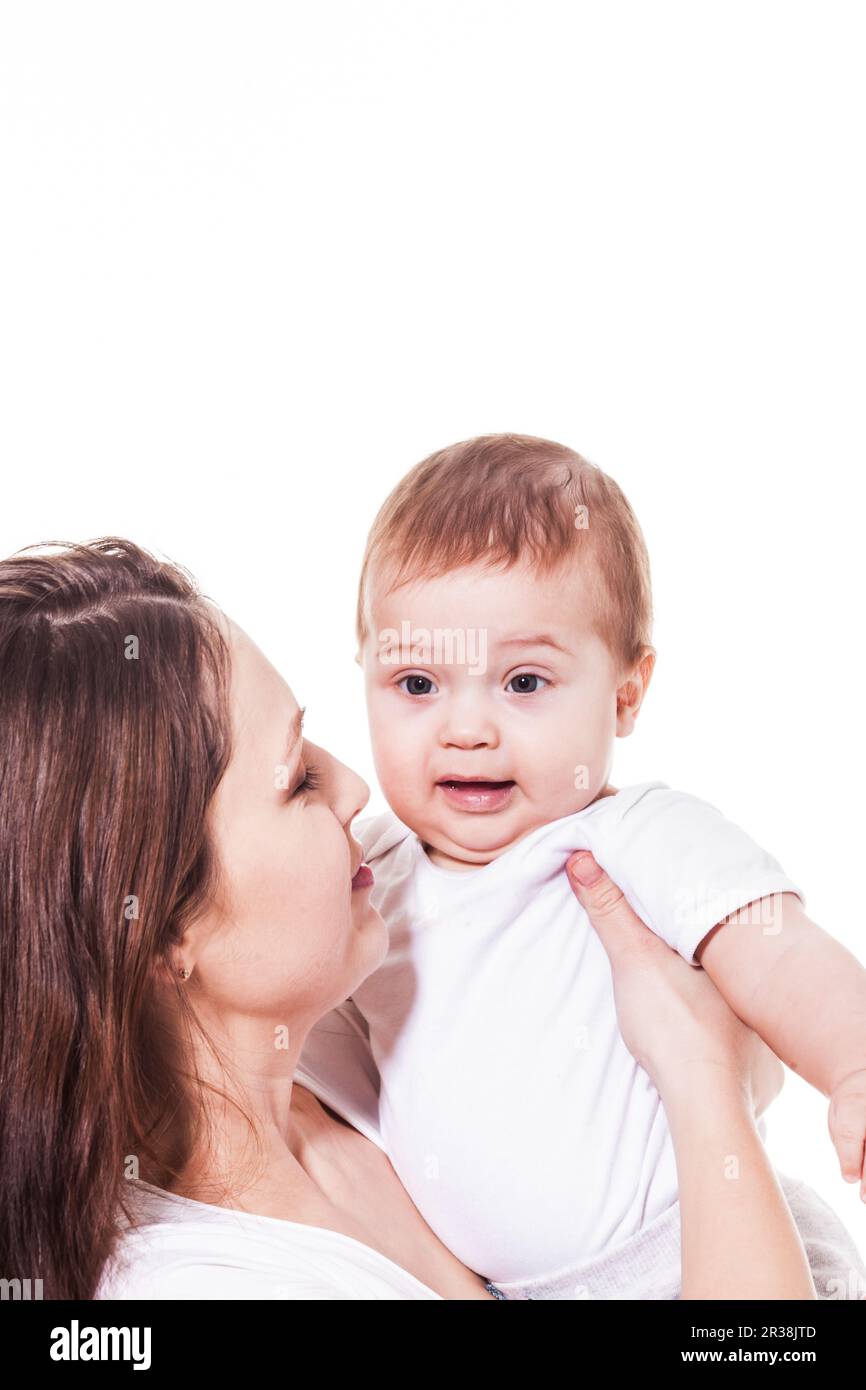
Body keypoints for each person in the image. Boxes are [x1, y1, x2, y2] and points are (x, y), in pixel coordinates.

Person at [0, 538, 857, 1301]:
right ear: (160, 932)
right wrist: (706, 1087)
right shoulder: (201, 1281)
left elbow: (766, 948)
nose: (357, 790)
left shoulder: (334, 1050)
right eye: (298, 780)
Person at [325, 430, 866, 1297]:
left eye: (525, 683)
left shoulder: (630, 838)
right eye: (417, 685)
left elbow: (777, 949)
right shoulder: (370, 877)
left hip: (699, 1247)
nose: (467, 728)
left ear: (626, 695)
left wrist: (851, 1058)